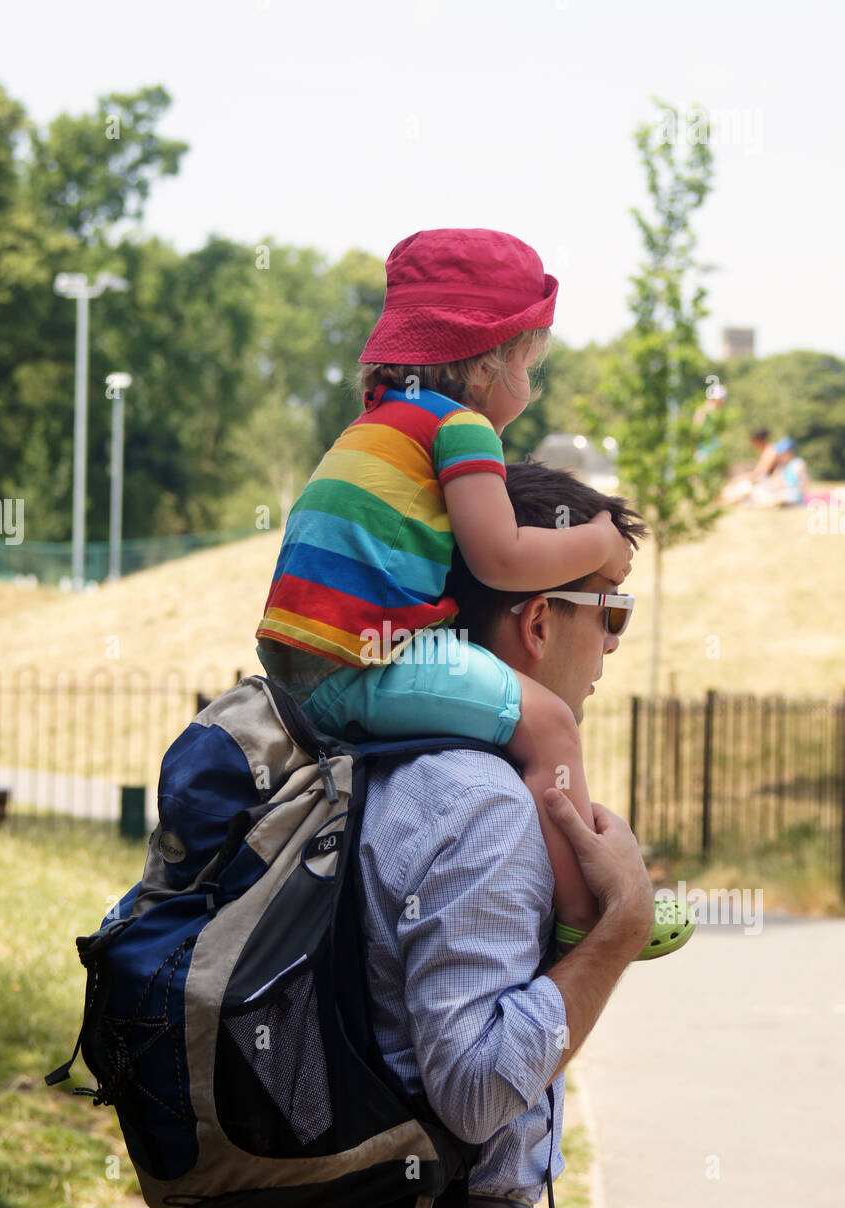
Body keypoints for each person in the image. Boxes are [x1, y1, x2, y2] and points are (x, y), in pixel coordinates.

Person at [235, 461, 656, 1208]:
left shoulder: (356, 764)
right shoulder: (485, 804)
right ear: (538, 619)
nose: (612, 642)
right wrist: (619, 931)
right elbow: (471, 1091)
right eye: (610, 612)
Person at [254, 228, 635, 938]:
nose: (533, 382)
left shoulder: (377, 423)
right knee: (549, 724)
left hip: (302, 662)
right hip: (359, 663)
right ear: (491, 364)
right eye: (532, 361)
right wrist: (600, 540)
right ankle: (585, 914)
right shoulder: (459, 427)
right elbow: (500, 559)